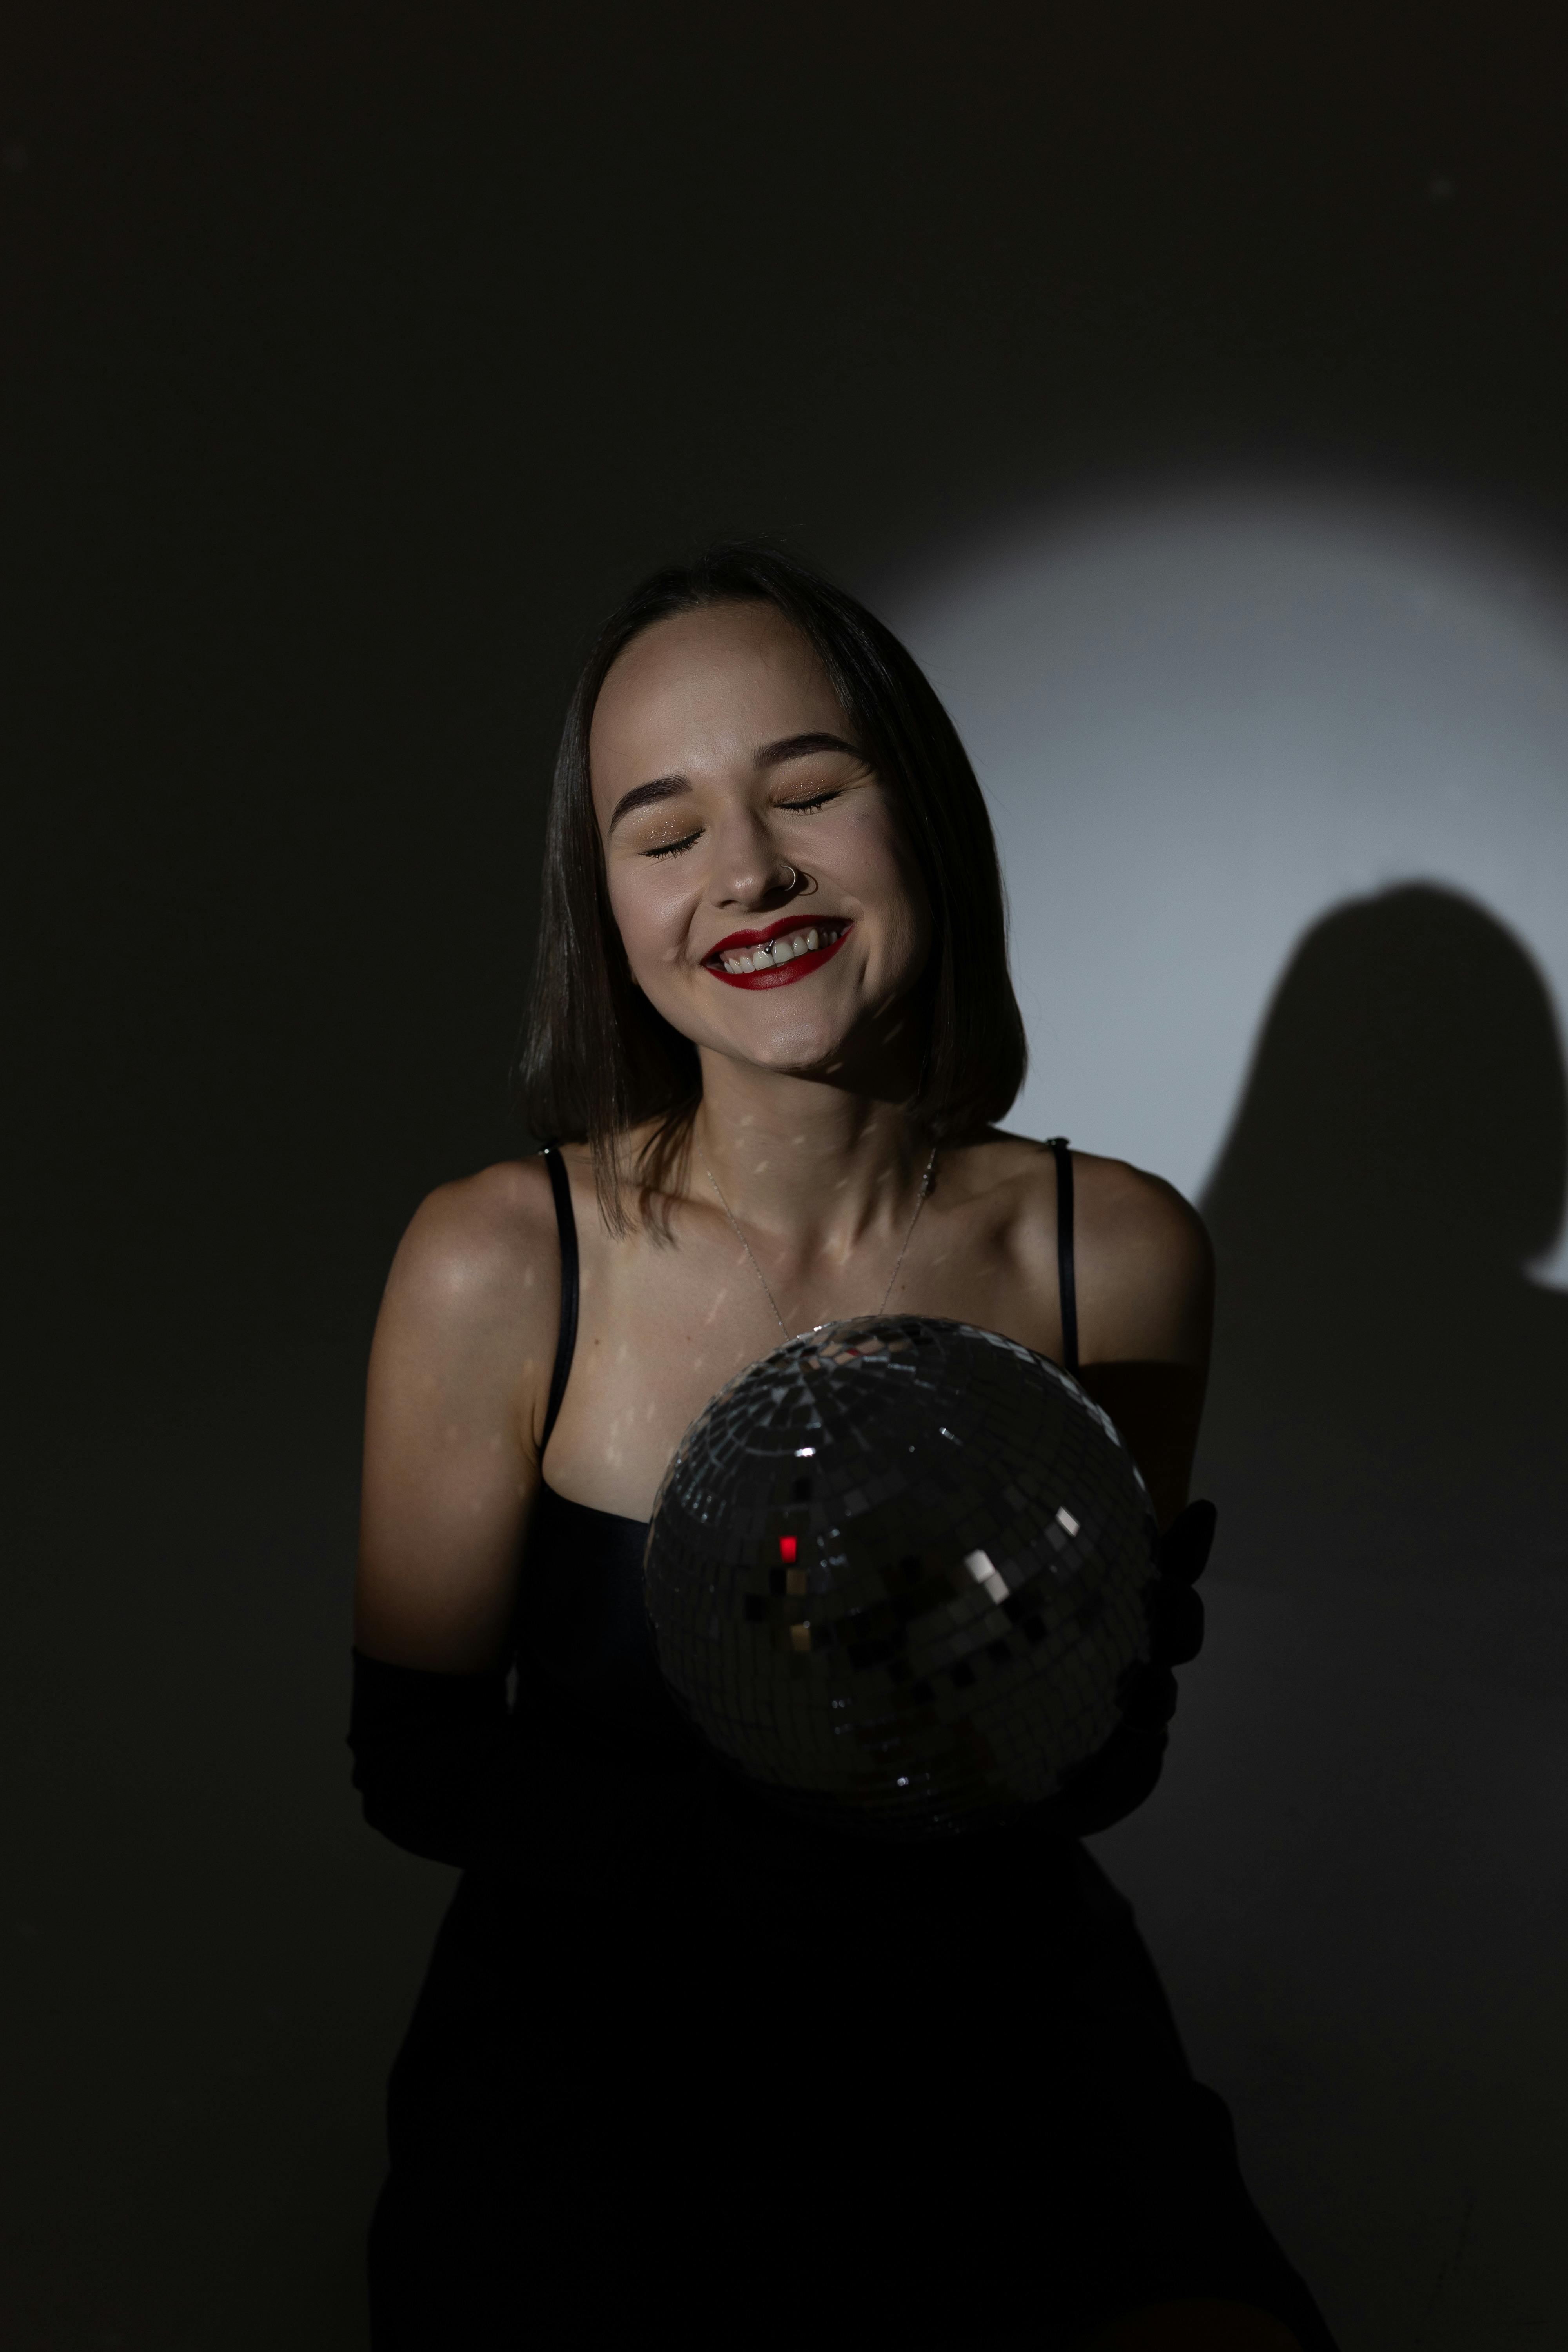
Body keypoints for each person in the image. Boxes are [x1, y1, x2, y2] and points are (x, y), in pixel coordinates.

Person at [348, 544, 1337, 2350]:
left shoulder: (1108, 1253)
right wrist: (746, 1853)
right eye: (665, 832)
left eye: (808, 790)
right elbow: (412, 1760)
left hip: (989, 2033)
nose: (750, 871)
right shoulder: (499, 1260)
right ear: (607, 907)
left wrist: (1099, 1705)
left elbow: (1081, 1782)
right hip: (592, 2059)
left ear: (922, 824)